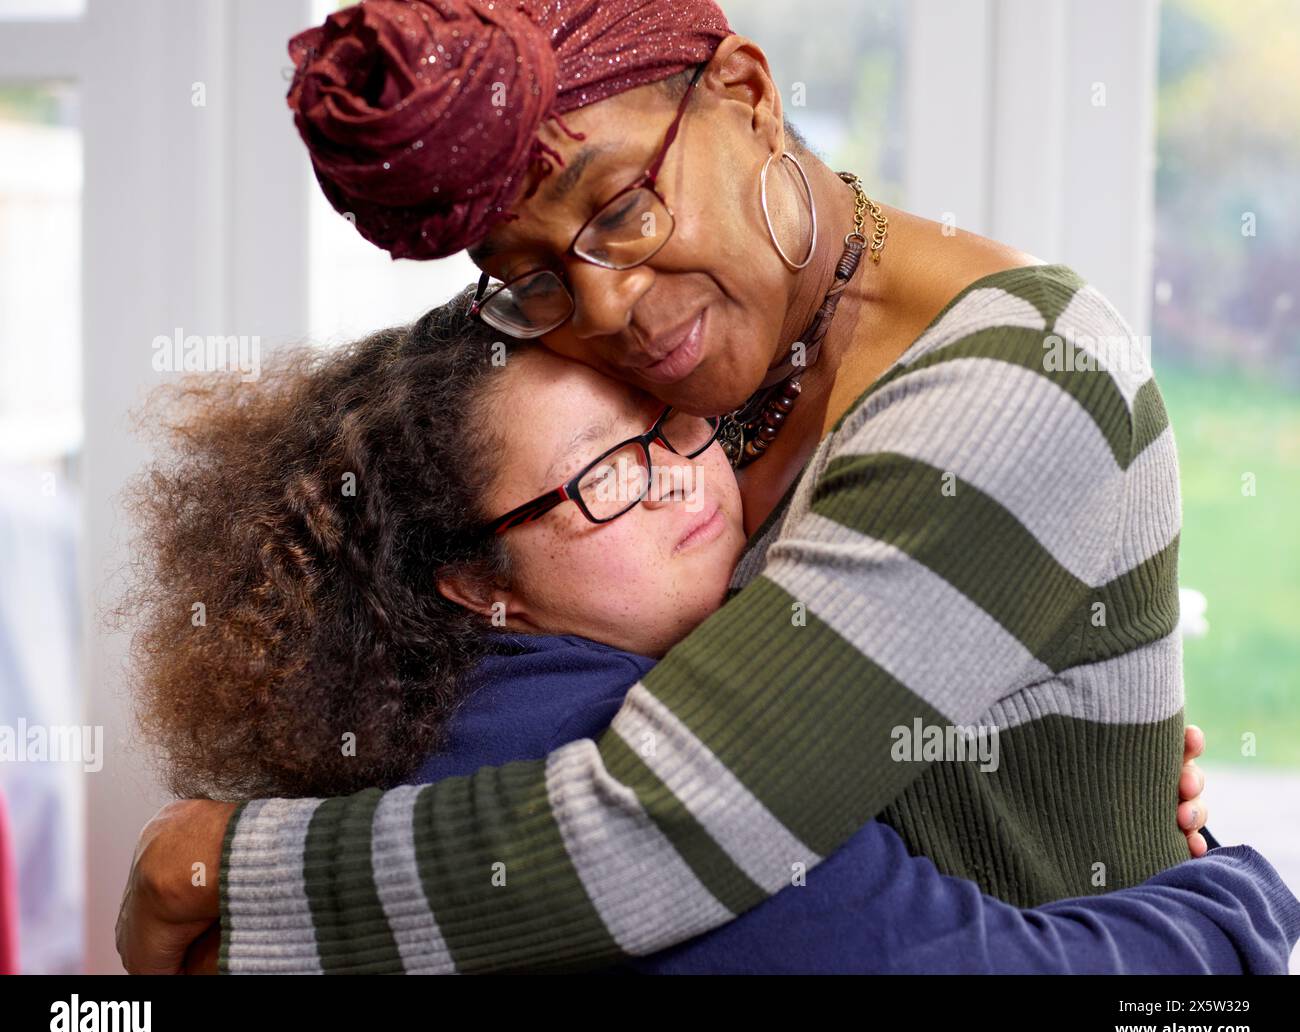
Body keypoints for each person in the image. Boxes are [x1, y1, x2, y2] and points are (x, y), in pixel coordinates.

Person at [118, 0, 1250, 974]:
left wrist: (227, 865)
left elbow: (675, 818)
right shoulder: (685, 372)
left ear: (747, 91)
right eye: (534, 276)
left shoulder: (1017, 378)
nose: (603, 305)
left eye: (620, 209)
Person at [119, 296, 1295, 974]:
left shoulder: (513, 687)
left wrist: (1082, 784)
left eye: (676, 425)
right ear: (481, 584)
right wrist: (1232, 896)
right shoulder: (584, 739)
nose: (680, 477)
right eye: (604, 473)